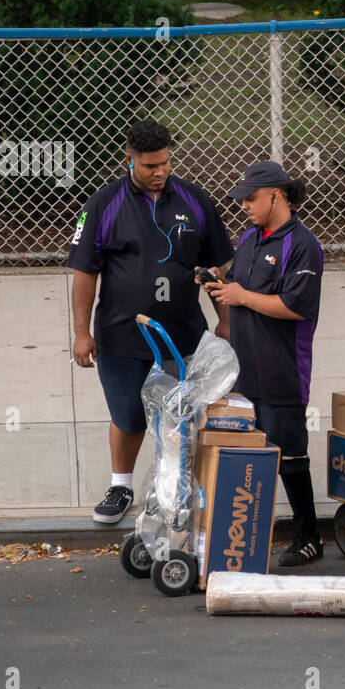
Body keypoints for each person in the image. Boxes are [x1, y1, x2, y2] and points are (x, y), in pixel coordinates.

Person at [67, 119, 235, 524]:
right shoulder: (104, 204)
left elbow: (217, 264)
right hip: (122, 337)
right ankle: (121, 486)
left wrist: (225, 320)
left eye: (165, 163)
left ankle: (174, 491)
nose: (159, 172)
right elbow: (85, 272)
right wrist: (80, 332)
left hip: (182, 337)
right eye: (149, 166)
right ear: (129, 161)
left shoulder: (194, 201)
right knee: (128, 416)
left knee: (180, 417)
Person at [206, 161, 325, 566]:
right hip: (244, 369)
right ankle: (244, 533)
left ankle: (309, 536)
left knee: (289, 455)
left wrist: (240, 296)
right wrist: (217, 286)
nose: (243, 206)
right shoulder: (250, 238)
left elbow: (295, 306)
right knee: (248, 453)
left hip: (282, 370)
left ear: (276, 194)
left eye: (250, 198)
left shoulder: (303, 244)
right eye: (241, 199)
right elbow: (238, 289)